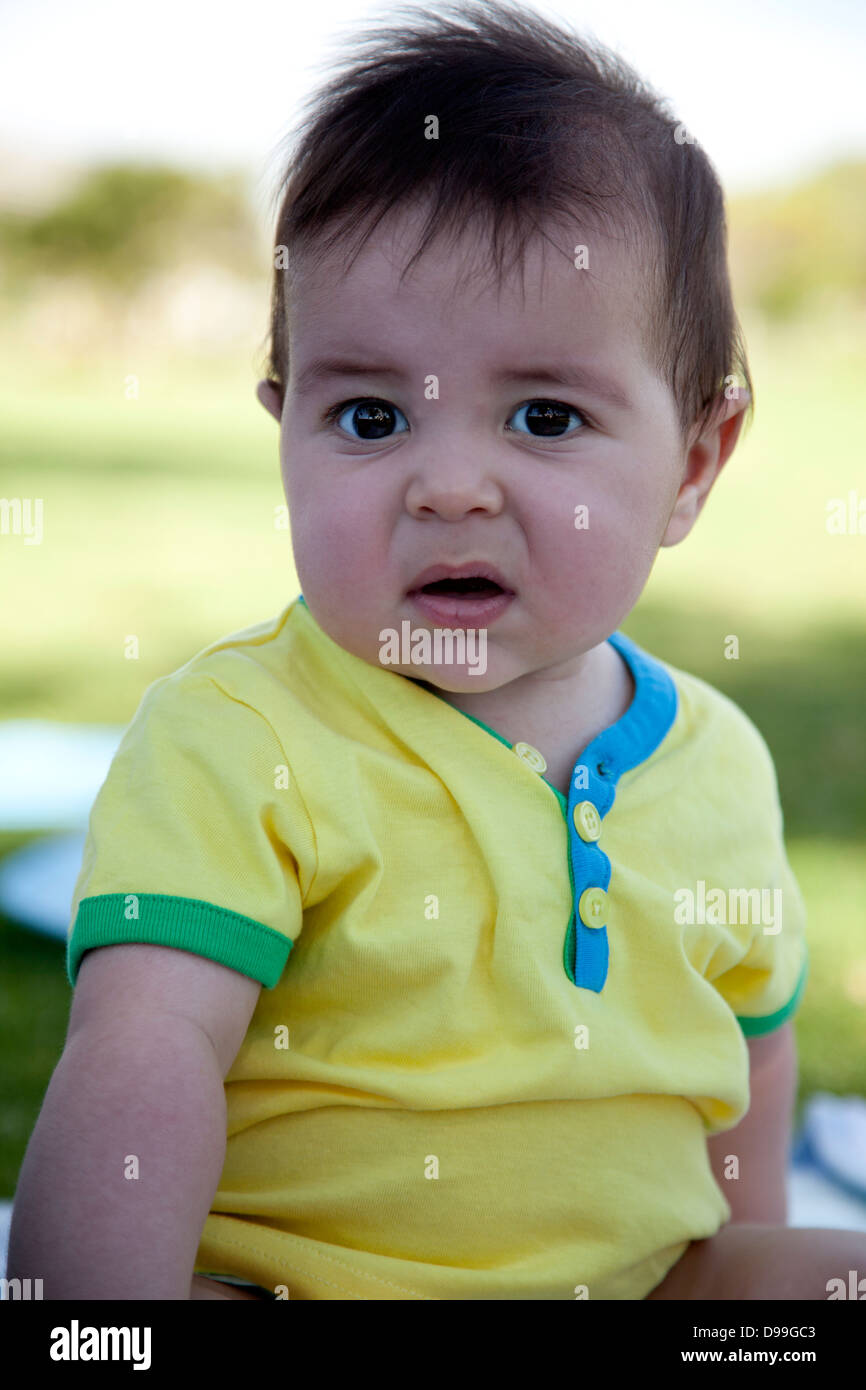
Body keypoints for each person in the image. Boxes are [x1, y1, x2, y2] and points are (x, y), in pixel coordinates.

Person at [8, 0, 862, 1300]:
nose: (447, 485)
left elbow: (744, 1054)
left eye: (540, 412)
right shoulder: (240, 736)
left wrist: (734, 1251)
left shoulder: (719, 762)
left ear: (692, 463)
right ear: (283, 425)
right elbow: (147, 1052)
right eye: (367, 414)